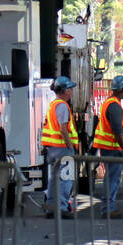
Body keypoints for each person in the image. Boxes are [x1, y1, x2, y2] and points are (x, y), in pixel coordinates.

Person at [92, 74, 123, 218]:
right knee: (112, 179)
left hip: (109, 148)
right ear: (120, 89)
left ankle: (108, 208)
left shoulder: (109, 103)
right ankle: (108, 209)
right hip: (113, 149)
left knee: (111, 178)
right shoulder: (114, 106)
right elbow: (117, 129)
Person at [41, 76, 80, 217]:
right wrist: (70, 146)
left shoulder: (53, 105)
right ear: (65, 91)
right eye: (70, 89)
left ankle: (51, 208)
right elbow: (63, 129)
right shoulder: (62, 106)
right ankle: (62, 208)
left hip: (52, 148)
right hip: (62, 148)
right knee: (65, 179)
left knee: (54, 179)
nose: (72, 91)